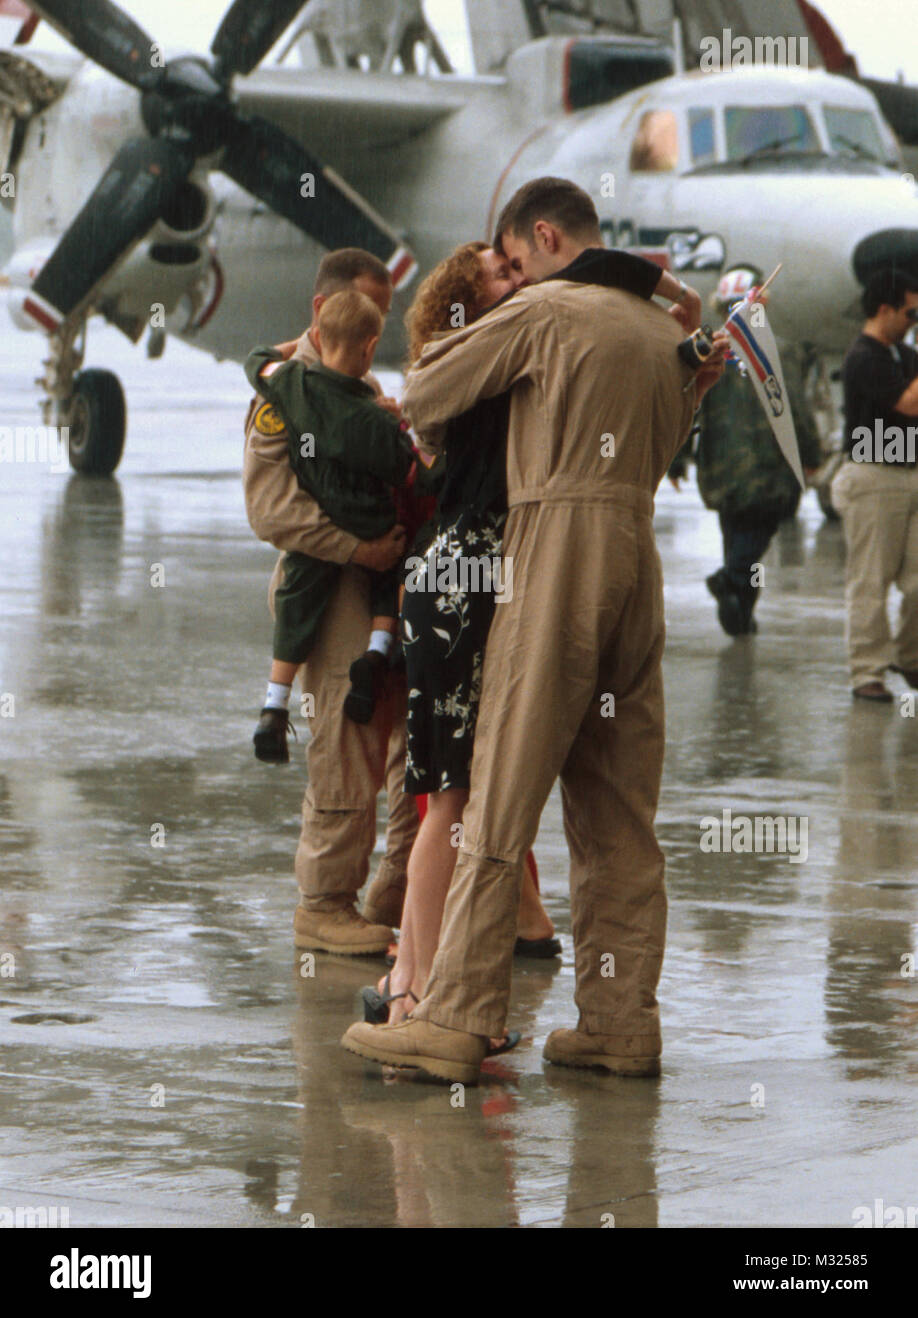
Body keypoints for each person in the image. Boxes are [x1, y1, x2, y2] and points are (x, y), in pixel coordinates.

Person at [342, 177, 726, 1083]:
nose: (512, 273)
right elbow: (670, 448)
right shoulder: (660, 333)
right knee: (620, 810)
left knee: (501, 787)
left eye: (514, 259)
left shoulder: (549, 311)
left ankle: (457, 1017)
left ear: (544, 237)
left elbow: (429, 393)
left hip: (556, 547)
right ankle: (619, 1023)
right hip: (638, 558)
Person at [243, 248, 417, 955]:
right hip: (328, 590)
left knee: (399, 738)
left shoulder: (355, 382)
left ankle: (391, 888)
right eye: (371, 311)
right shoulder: (282, 396)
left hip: (379, 586)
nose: (380, 327)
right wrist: (359, 549)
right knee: (344, 744)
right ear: (325, 311)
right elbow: (271, 510)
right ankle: (323, 902)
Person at [249, 289, 439, 759]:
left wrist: (297, 348)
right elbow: (409, 473)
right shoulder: (373, 420)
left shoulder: (293, 387)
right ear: (371, 348)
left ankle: (274, 704)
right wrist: (403, 428)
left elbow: (258, 361)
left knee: (297, 598)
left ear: (316, 334)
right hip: (372, 523)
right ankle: (377, 653)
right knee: (394, 568)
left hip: (322, 526)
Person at [669, 268, 822, 636]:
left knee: (735, 537)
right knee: (755, 540)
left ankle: (740, 612)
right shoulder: (781, 351)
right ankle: (730, 581)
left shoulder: (707, 349)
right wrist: (812, 455)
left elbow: (688, 405)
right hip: (769, 467)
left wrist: (676, 460)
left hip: (721, 466)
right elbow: (797, 409)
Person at [831, 269, 918, 701]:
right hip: (874, 473)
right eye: (910, 312)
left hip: (911, 472)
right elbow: (909, 402)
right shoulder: (864, 356)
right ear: (885, 310)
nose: (913, 321)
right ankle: (867, 671)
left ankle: (910, 655)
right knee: (870, 580)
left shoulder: (904, 355)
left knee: (917, 580)